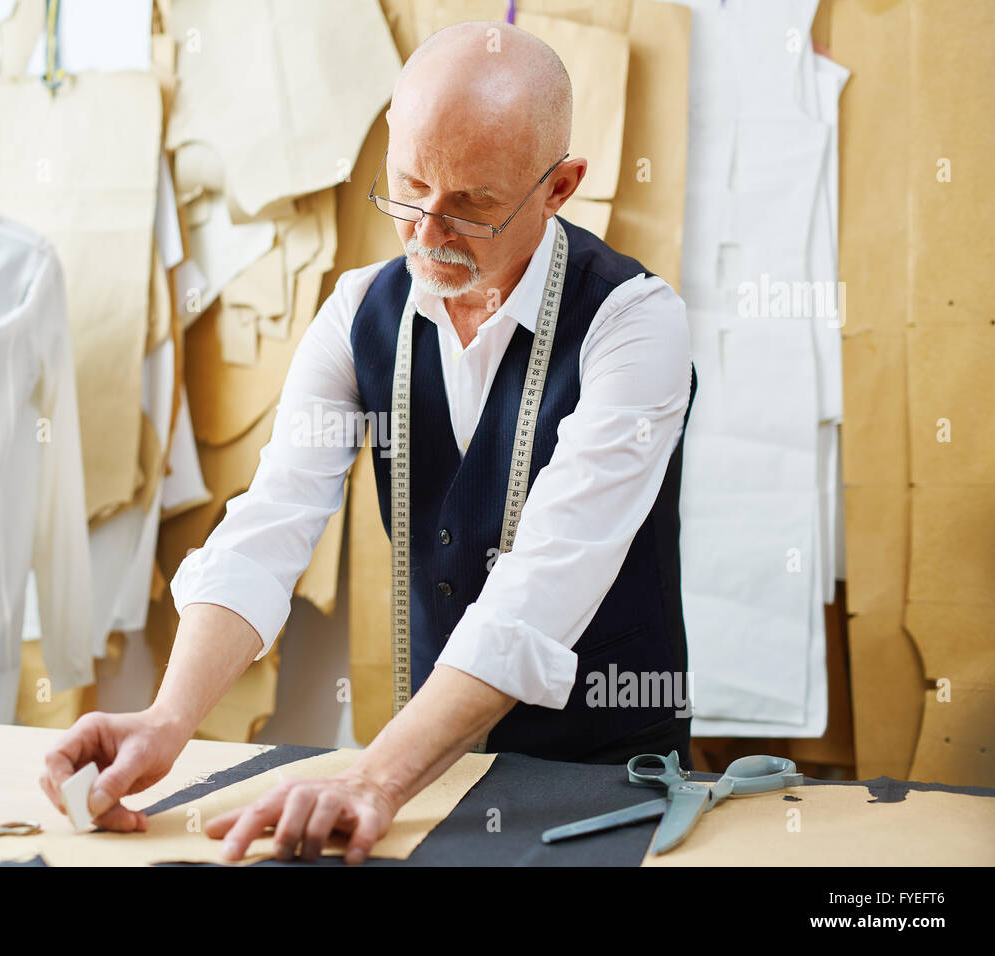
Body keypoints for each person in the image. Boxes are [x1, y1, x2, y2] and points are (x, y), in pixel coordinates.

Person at [39, 19, 696, 864]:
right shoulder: (358, 314)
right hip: (432, 773)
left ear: (560, 187)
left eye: (474, 207)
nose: (426, 234)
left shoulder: (634, 326)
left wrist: (374, 779)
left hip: (605, 777)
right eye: (410, 186)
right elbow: (270, 524)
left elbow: (541, 585)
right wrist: (167, 720)